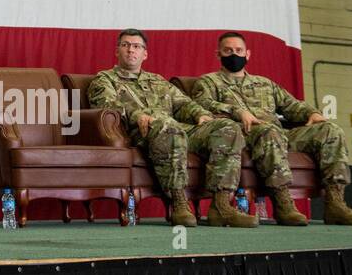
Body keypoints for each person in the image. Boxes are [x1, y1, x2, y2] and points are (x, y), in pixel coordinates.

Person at [191, 32, 352, 226]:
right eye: (228, 51)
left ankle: (336, 204)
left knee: (330, 130)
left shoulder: (265, 84)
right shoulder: (208, 82)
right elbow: (203, 105)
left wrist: (312, 113)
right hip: (243, 133)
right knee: (269, 131)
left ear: (247, 54)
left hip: (277, 133)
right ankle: (283, 203)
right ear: (218, 54)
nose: (234, 55)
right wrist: (237, 112)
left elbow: (291, 105)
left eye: (238, 50)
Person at [87, 29, 257, 228]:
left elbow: (183, 103)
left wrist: (199, 114)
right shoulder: (104, 79)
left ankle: (221, 206)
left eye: (136, 46)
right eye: (125, 45)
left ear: (145, 53)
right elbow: (106, 105)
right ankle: (179, 203)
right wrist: (137, 115)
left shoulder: (158, 81)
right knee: (167, 126)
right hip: (142, 132)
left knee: (226, 127)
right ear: (117, 51)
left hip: (176, 128)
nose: (131, 50)